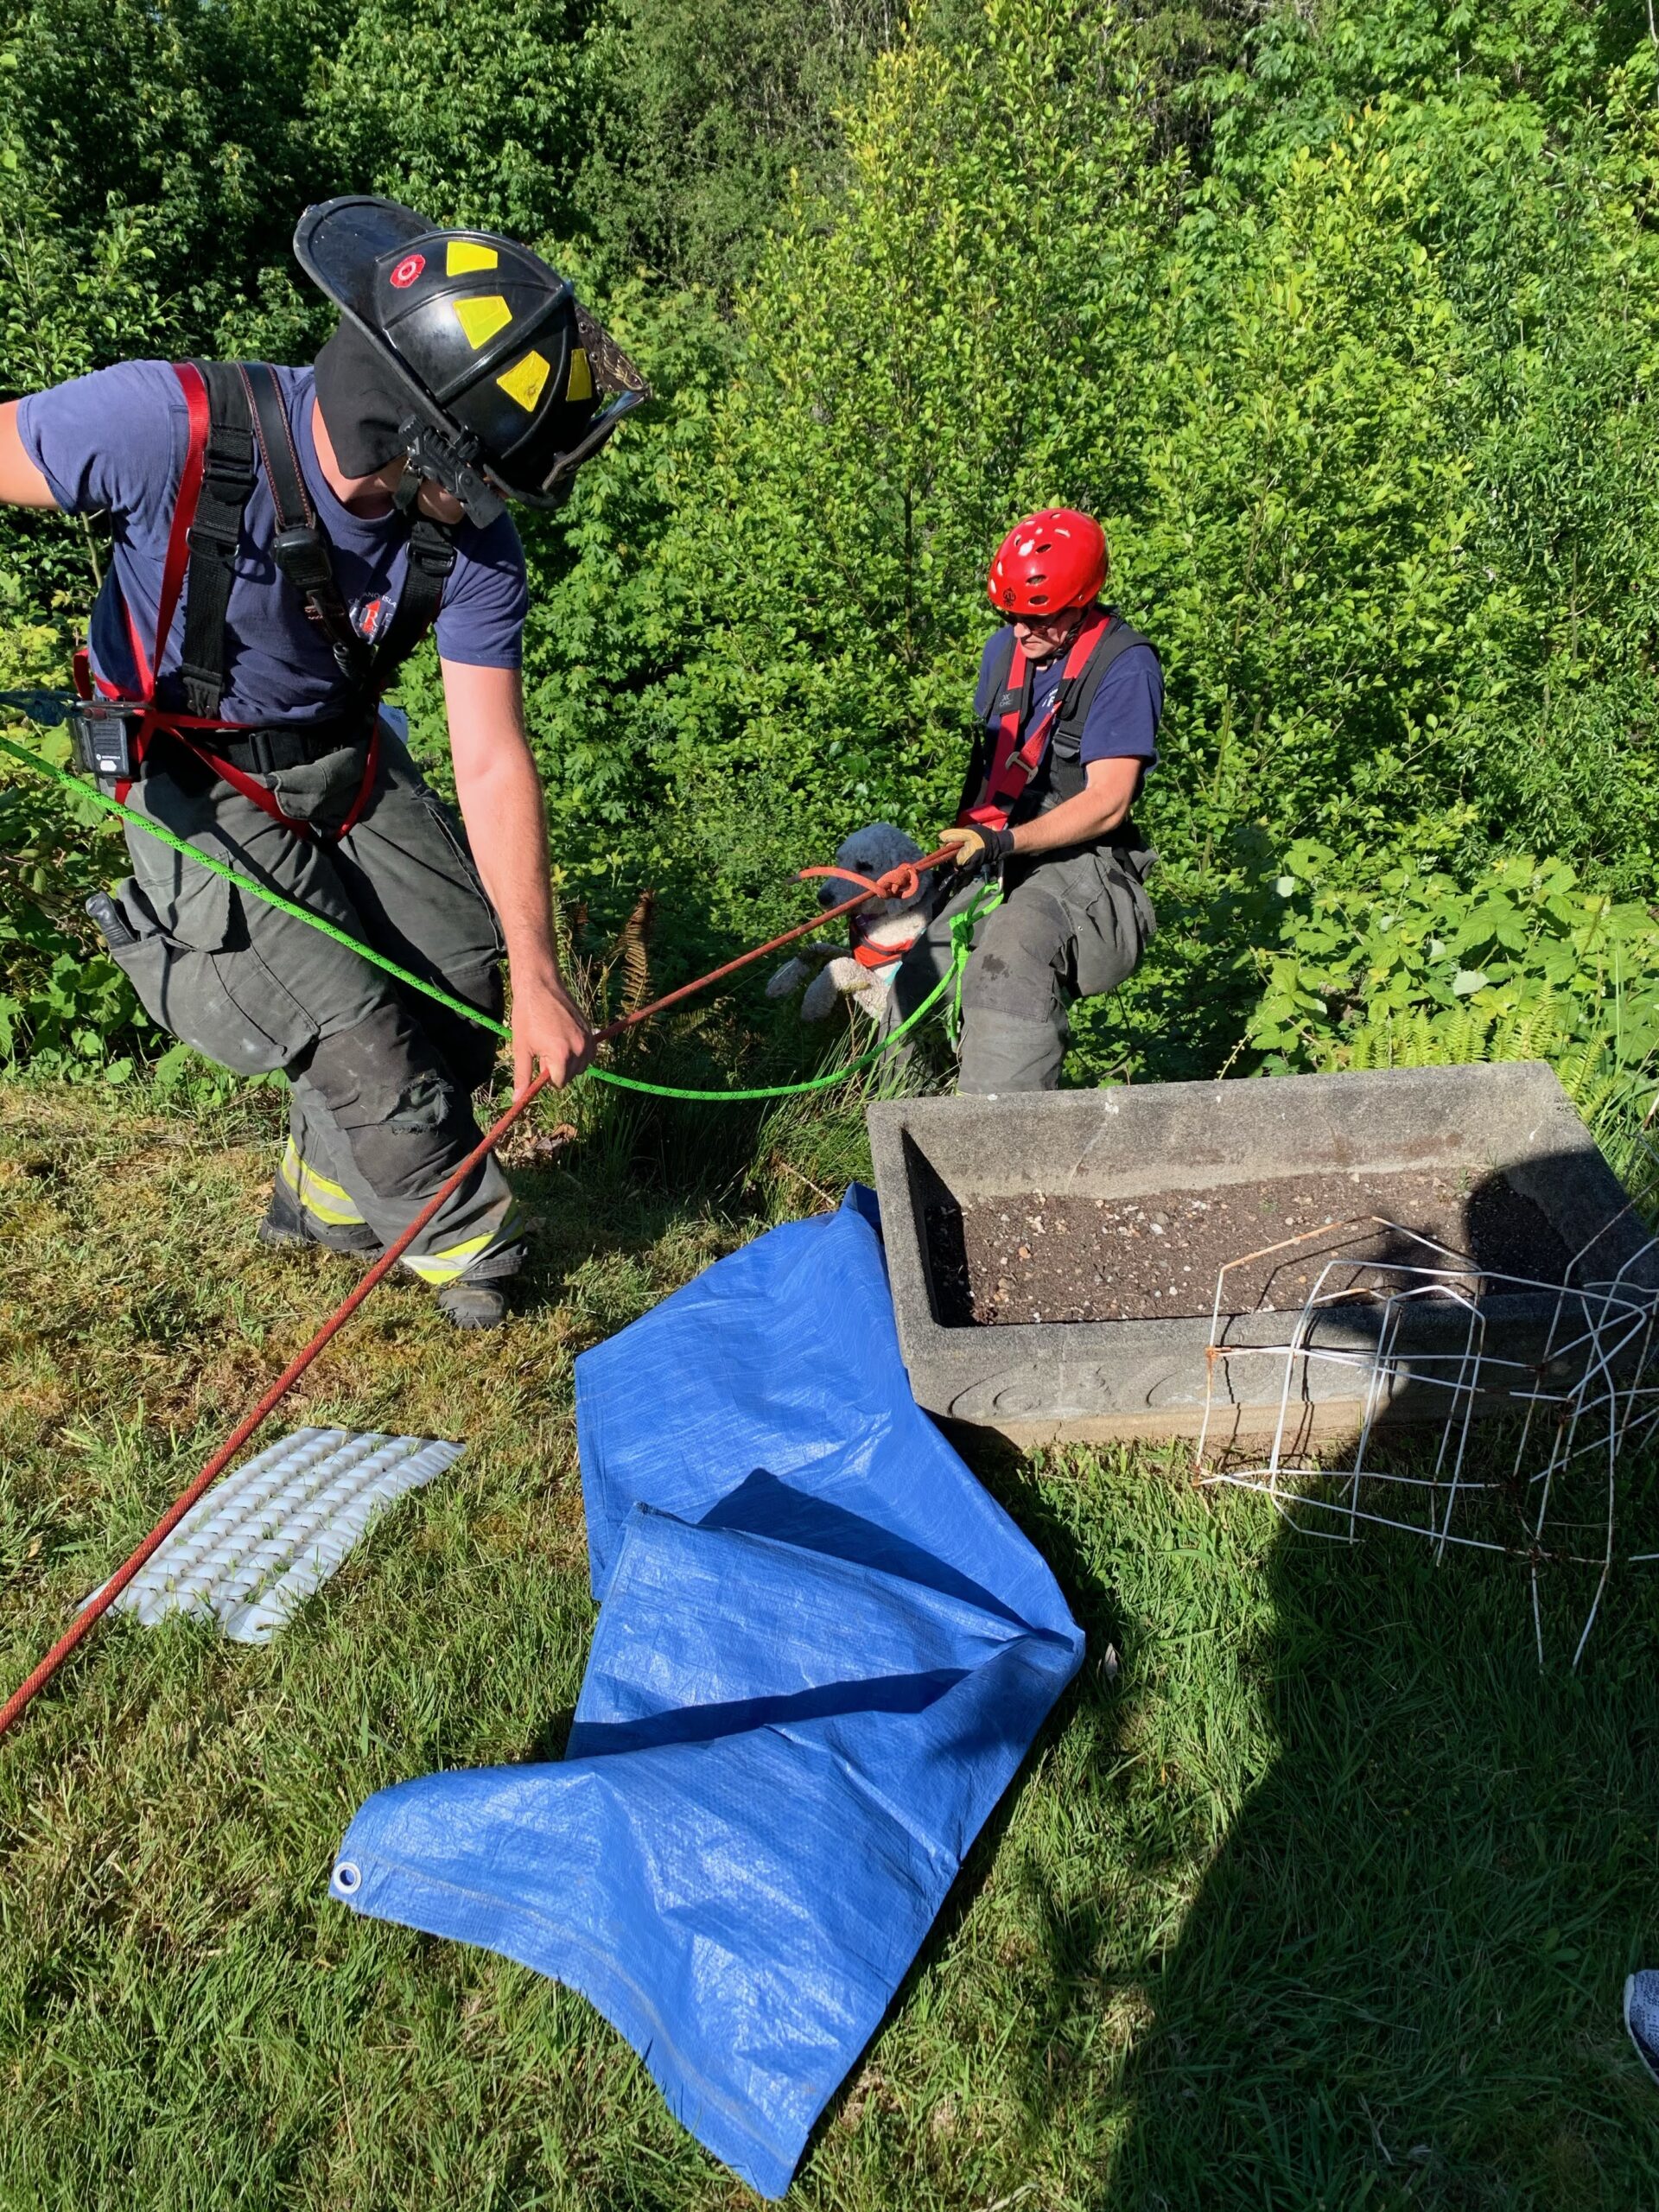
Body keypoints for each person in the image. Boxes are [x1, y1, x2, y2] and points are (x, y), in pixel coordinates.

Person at [0, 195, 650, 1327]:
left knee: (461, 980)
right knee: (361, 1036)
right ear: (410, 435)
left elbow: (491, 758)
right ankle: (466, 1246)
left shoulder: (473, 545)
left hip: (339, 751)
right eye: (489, 472)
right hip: (185, 771)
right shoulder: (167, 427)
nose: (500, 505)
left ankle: (321, 1188)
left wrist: (541, 977)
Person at [887, 507, 1161, 1093]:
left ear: (1083, 602)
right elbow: (994, 778)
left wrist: (1005, 842)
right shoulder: (1003, 654)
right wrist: (941, 867)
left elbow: (1109, 802)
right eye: (1009, 615)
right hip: (999, 856)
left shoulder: (1125, 666)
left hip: (1086, 865)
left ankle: (994, 1161)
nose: (1020, 631)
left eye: (1036, 618)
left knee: (1008, 963)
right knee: (913, 986)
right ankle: (900, 1149)